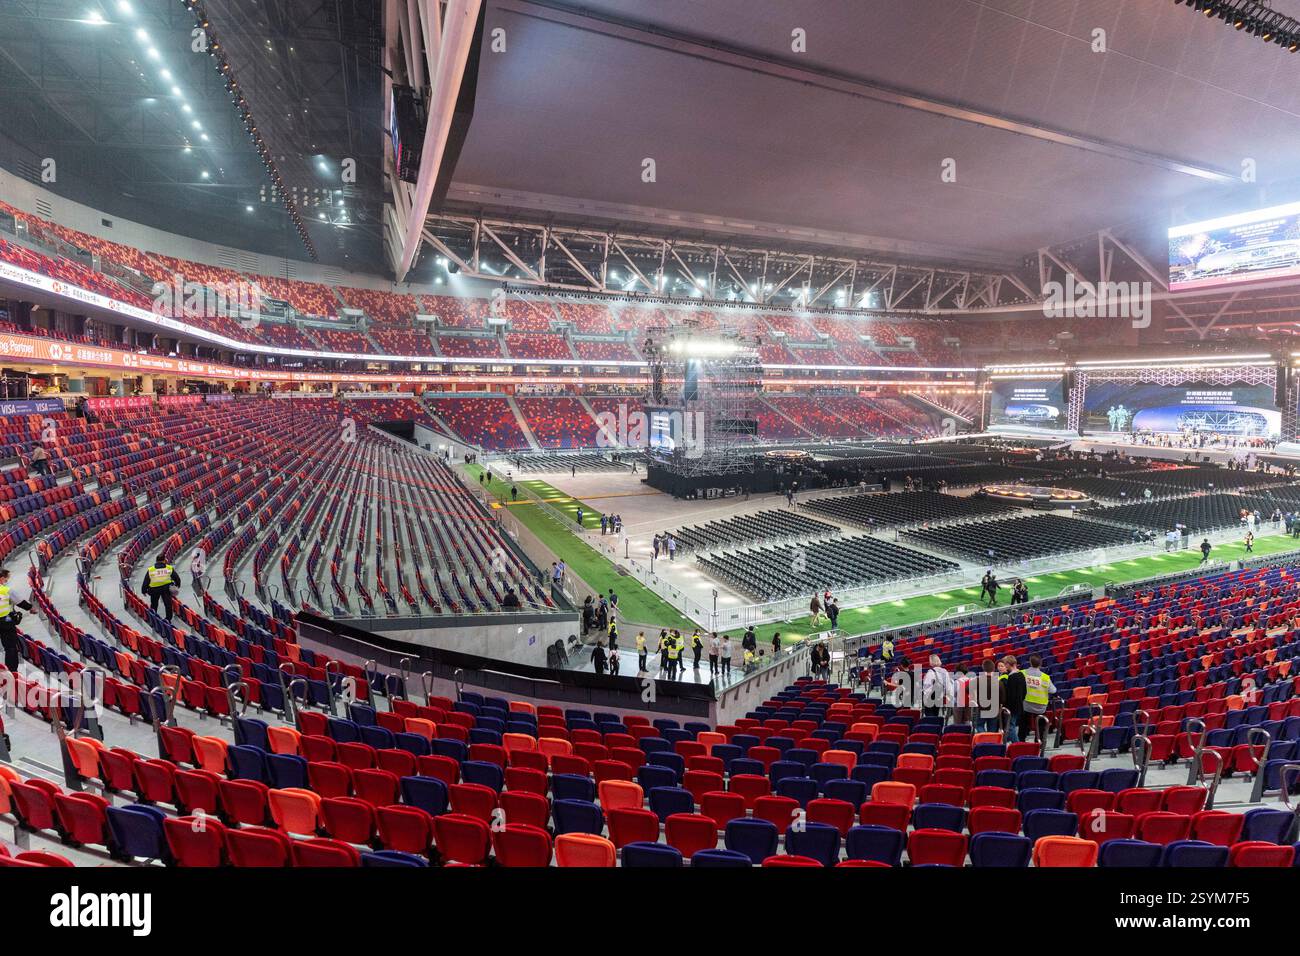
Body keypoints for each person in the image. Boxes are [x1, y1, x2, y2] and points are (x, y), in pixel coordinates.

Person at [0, 566, 34, 673]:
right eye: (6, 579)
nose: (6, 581)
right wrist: (31, 608)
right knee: (10, 647)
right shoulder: (5, 590)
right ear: (1, 579)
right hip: (5, 622)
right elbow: (20, 602)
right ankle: (12, 672)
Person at [1021, 654, 1057, 742]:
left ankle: (1021, 740)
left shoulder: (1022, 673)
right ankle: (1038, 742)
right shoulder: (1045, 677)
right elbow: (1053, 690)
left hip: (1026, 705)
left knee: (1024, 723)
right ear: (1040, 664)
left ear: (1030, 662)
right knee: (1041, 726)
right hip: (1041, 707)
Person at [141, 553, 179, 621]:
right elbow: (176, 578)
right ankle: (168, 619)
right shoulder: (169, 568)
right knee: (168, 604)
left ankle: (153, 618)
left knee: (154, 604)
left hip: (154, 589)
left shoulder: (151, 569)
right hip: (166, 589)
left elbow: (146, 581)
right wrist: (177, 585)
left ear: (156, 561)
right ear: (164, 560)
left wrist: (144, 590)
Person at [1001, 655, 1026, 743]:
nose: (1005, 666)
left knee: (1010, 726)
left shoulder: (1012, 677)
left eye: (1005, 664)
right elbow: (1024, 692)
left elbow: (1010, 695)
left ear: (1008, 664)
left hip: (1012, 707)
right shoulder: (1021, 674)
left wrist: (1006, 707)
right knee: (1012, 725)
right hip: (1019, 704)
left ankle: (1017, 745)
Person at [921, 654, 953, 720]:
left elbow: (926, 687)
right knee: (936, 714)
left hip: (931, 698)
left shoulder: (931, 672)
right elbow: (948, 686)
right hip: (940, 697)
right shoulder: (945, 672)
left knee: (929, 717)